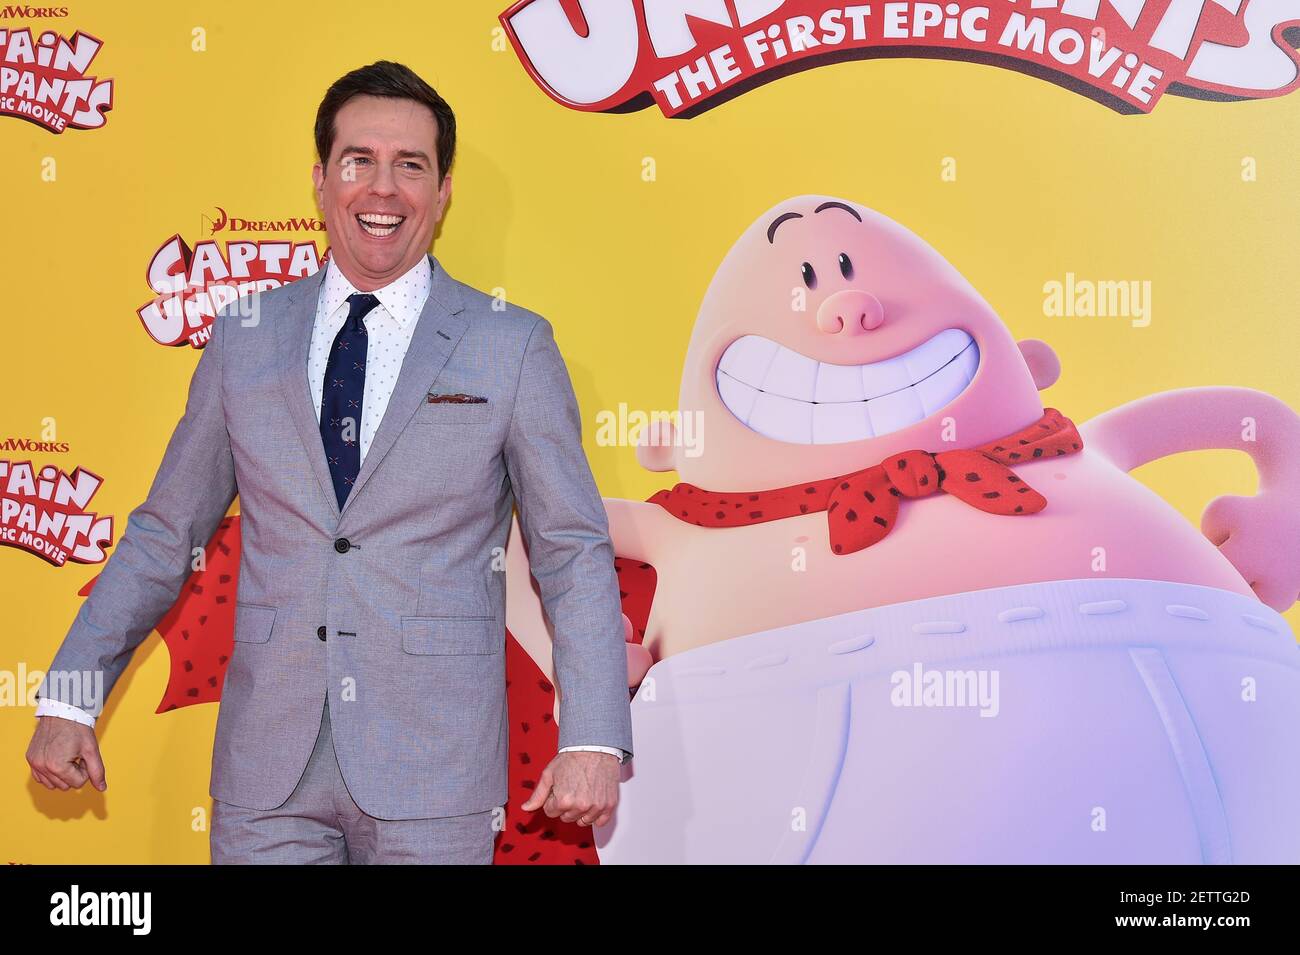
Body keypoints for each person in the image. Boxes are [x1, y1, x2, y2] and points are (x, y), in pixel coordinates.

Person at [25, 60, 633, 864]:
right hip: (265, 772)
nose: (382, 189)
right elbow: (164, 532)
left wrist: (592, 734)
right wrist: (71, 693)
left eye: (410, 165)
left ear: (443, 190)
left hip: (435, 773)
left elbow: (571, 551)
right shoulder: (244, 337)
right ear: (320, 180)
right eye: (359, 162)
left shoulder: (509, 346)